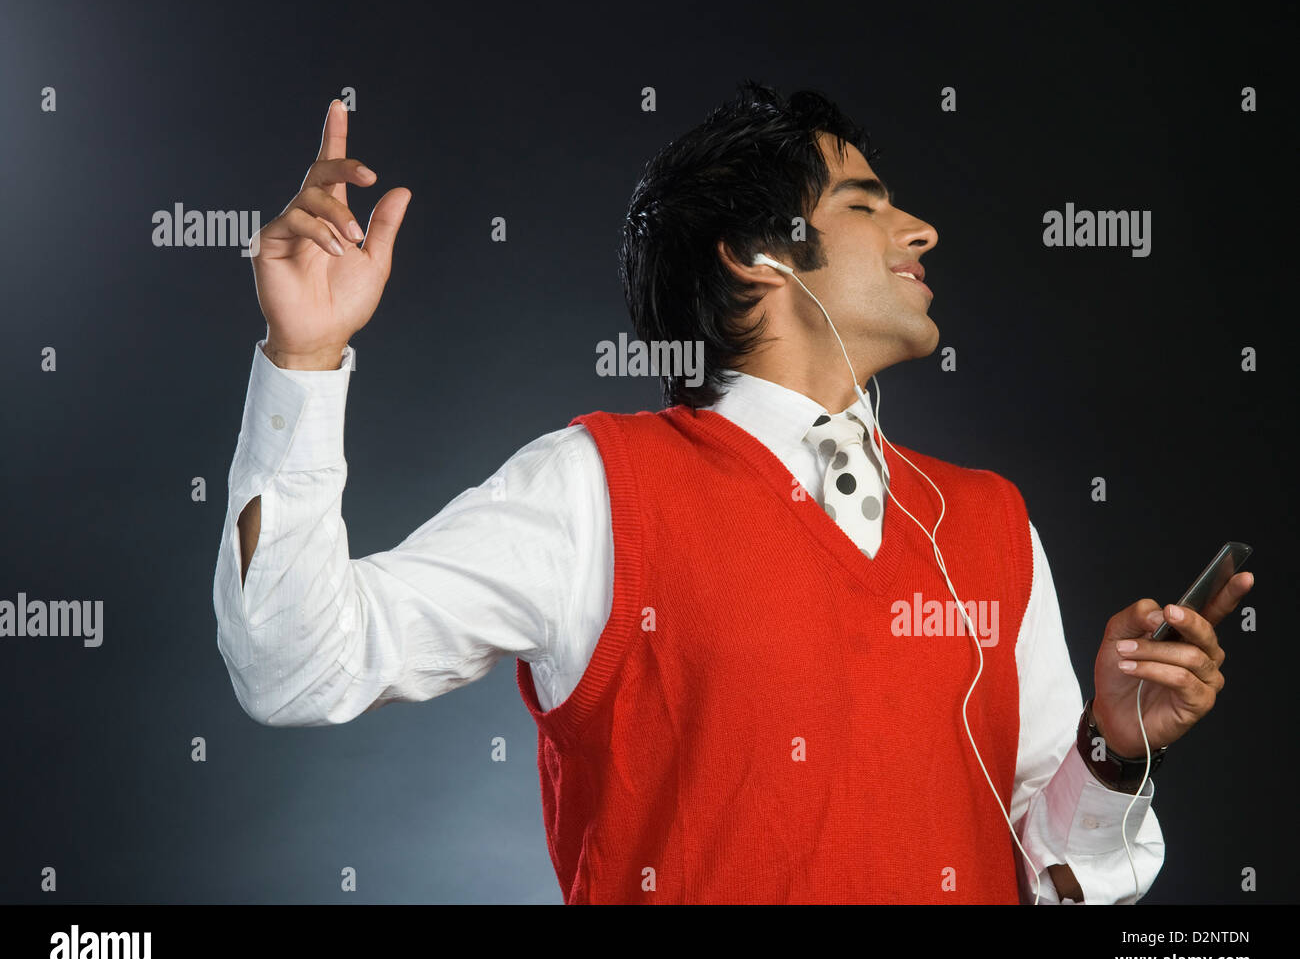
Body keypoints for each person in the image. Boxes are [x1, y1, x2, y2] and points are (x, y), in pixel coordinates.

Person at [213, 81, 1252, 904]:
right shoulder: (593, 488)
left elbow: (1058, 877)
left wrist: (1111, 752)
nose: (921, 229)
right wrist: (301, 360)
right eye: (866, 204)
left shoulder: (989, 523)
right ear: (759, 257)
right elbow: (293, 664)